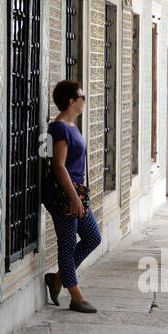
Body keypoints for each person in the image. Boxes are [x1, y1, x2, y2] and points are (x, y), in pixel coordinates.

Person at [41, 79, 102, 312]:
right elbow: (59, 166)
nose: (85, 100)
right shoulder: (58, 129)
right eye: (82, 96)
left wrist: (78, 196)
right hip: (63, 193)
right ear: (72, 101)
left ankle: (56, 280)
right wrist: (73, 198)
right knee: (67, 245)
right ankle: (75, 296)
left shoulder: (72, 126)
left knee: (92, 237)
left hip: (77, 191)